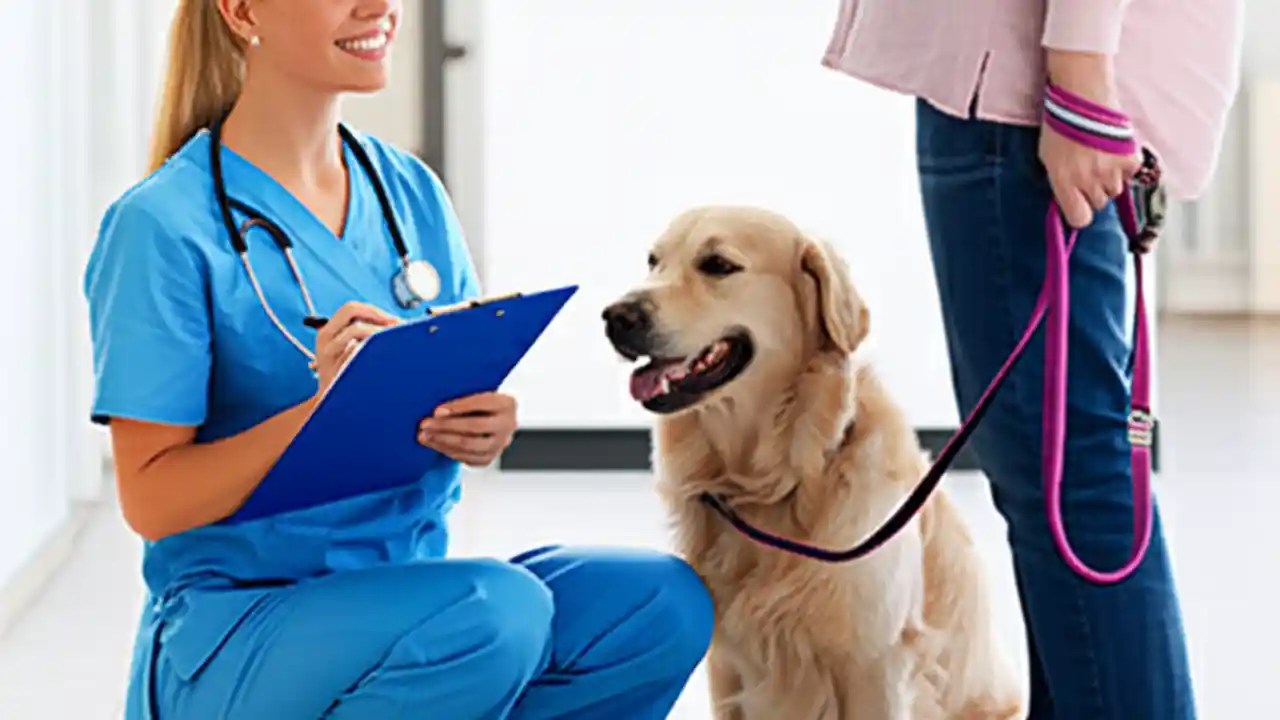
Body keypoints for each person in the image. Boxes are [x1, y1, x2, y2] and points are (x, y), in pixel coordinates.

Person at [84, 2, 713, 718]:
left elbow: (447, 391)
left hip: (412, 606)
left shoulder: (408, 193)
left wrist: (480, 428)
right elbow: (151, 499)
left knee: (660, 603)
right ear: (240, 10)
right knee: (497, 614)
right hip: (238, 629)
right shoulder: (161, 225)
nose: (379, 6)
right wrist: (319, 414)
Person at [821, 1, 1242, 719]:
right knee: (1056, 478)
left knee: (1071, 477)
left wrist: (1079, 73)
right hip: (1018, 83)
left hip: (1022, 87)